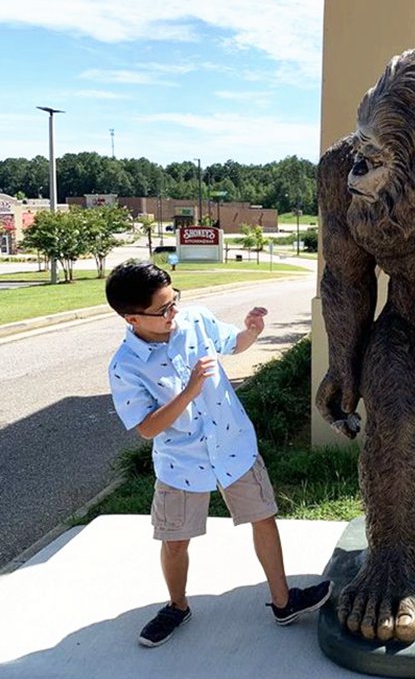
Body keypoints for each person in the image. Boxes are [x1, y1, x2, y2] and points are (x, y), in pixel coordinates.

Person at [105, 259, 331, 647]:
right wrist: (189, 392)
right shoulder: (125, 366)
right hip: (181, 462)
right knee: (175, 541)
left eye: (174, 299)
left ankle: (283, 601)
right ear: (132, 319)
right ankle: (177, 606)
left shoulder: (194, 320)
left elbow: (233, 343)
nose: (173, 312)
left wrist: (251, 332)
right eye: (162, 310)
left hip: (233, 446)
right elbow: (146, 428)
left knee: (264, 519)